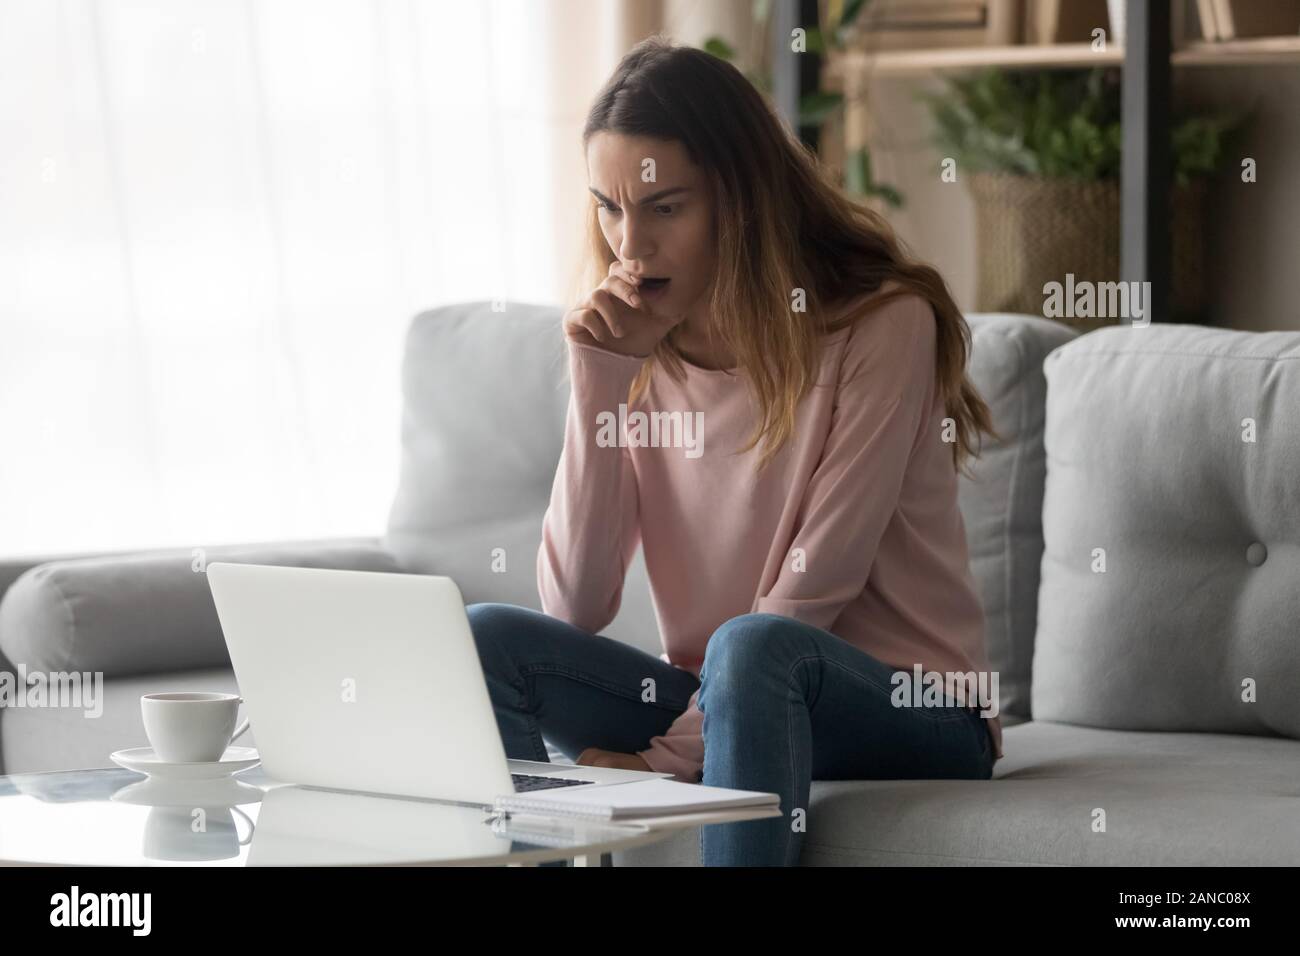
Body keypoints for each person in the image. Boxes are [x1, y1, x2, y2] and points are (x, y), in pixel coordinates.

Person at [466, 35, 1005, 867]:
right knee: (486, 638)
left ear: (740, 200)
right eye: (610, 208)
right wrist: (602, 380)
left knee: (752, 647)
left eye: (665, 207)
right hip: (734, 694)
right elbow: (575, 603)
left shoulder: (880, 324)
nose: (630, 249)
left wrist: (661, 765)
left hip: (916, 707)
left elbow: (813, 589)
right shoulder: (639, 348)